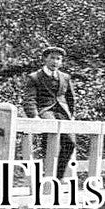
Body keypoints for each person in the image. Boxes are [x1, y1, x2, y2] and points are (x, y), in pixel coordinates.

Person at [22, 45, 77, 177]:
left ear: (61, 62)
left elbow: (70, 98)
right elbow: (29, 99)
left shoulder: (65, 77)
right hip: (45, 111)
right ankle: (45, 175)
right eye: (52, 58)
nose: (55, 62)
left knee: (70, 143)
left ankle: (57, 176)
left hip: (62, 112)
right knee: (51, 139)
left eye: (58, 59)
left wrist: (72, 114)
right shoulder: (35, 77)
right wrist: (34, 116)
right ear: (45, 59)